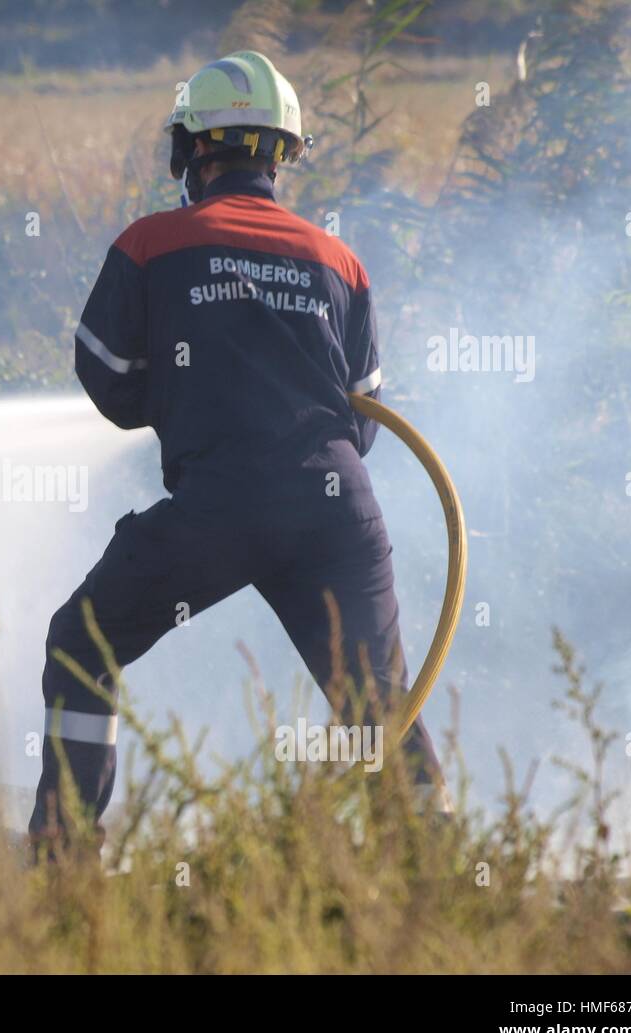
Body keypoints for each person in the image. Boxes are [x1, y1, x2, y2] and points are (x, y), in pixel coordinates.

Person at [29, 50, 451, 854]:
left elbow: (109, 379)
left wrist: (191, 396)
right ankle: (437, 871)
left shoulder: (151, 244)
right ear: (283, 156)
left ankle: (63, 857)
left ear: (191, 150)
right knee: (379, 701)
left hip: (218, 507)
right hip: (339, 511)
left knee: (82, 643)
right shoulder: (341, 262)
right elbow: (364, 417)